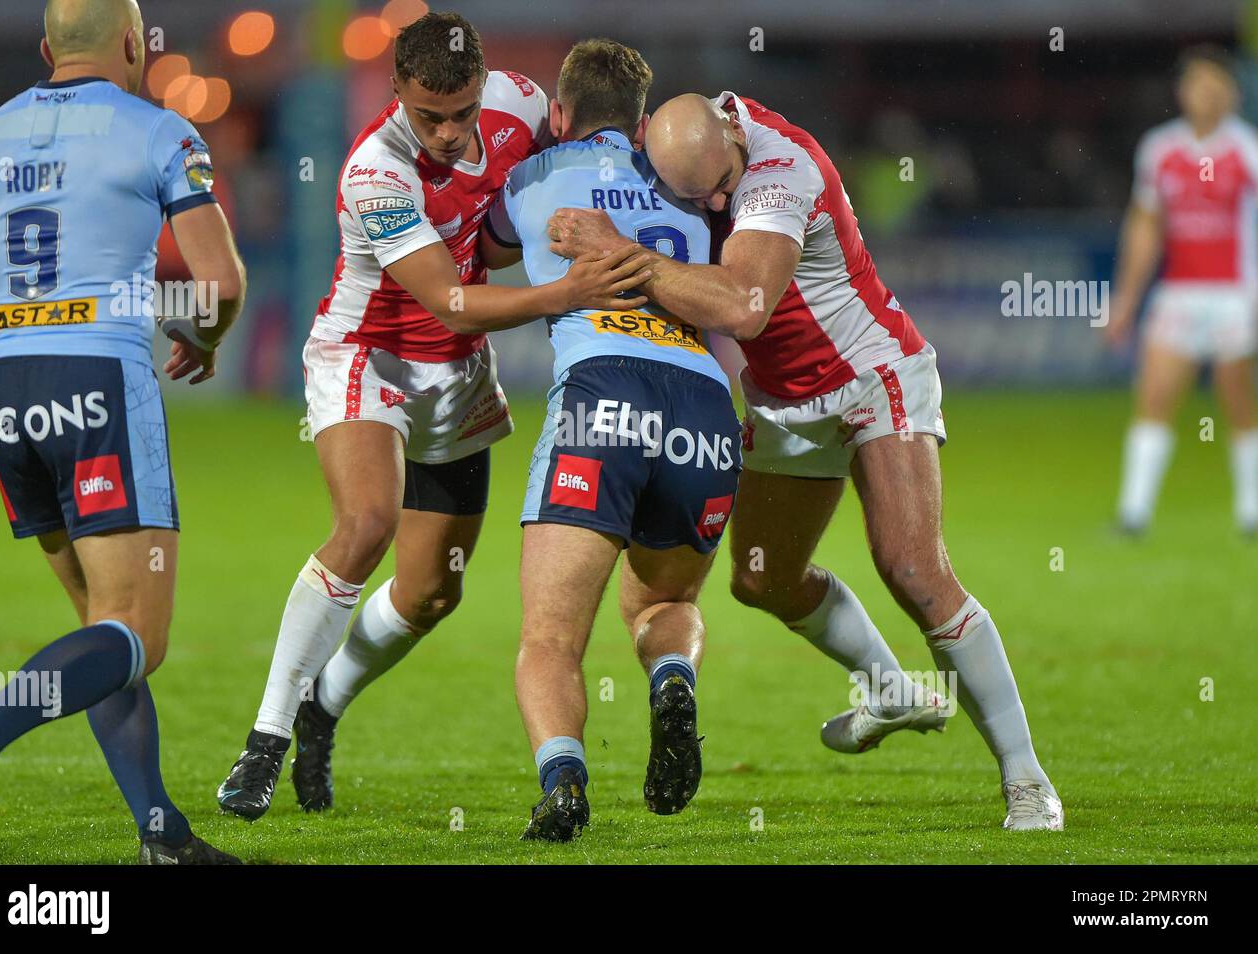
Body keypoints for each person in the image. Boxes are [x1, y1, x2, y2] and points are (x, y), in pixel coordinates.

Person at [547, 91, 1064, 830]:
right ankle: (888, 688)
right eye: (701, 196)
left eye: (722, 182)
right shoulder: (682, 152)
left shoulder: (781, 167)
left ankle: (1027, 778)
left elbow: (744, 306)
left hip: (869, 374)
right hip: (784, 399)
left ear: (733, 135)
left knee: (913, 567)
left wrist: (616, 253)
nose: (720, 199)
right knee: (761, 578)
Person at [217, 12, 649, 820]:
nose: (448, 133)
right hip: (368, 352)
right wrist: (567, 291)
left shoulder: (522, 106)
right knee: (366, 523)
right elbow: (451, 301)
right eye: (429, 116)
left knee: (429, 596)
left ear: (483, 87)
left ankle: (324, 707)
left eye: (460, 112)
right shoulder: (375, 171)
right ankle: (266, 738)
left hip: (456, 376)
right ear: (396, 95)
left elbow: (516, 223)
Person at [0, 0, 246, 864]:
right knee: (136, 635)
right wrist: (204, 337)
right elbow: (220, 281)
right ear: (133, 45)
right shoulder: (159, 131)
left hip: (8, 389)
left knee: (102, 631)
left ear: (47, 50)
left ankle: (161, 833)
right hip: (99, 380)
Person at [468, 39, 740, 840]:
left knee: (550, 638)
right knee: (665, 601)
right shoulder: (686, 185)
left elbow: (478, 252)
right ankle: (672, 679)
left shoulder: (533, 178)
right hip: (703, 405)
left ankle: (564, 785)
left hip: (602, 395)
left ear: (559, 114)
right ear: (646, 123)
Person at [1106, 45, 1258, 536]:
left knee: (1239, 400)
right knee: (1154, 396)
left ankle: (1250, 513)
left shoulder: (1247, 151)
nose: (1205, 94)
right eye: (1196, 84)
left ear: (1231, 94)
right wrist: (1126, 299)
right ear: (1182, 92)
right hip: (1179, 295)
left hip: (1236, 295)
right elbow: (1146, 226)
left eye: (1215, 85)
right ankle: (1133, 514)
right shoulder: (1161, 149)